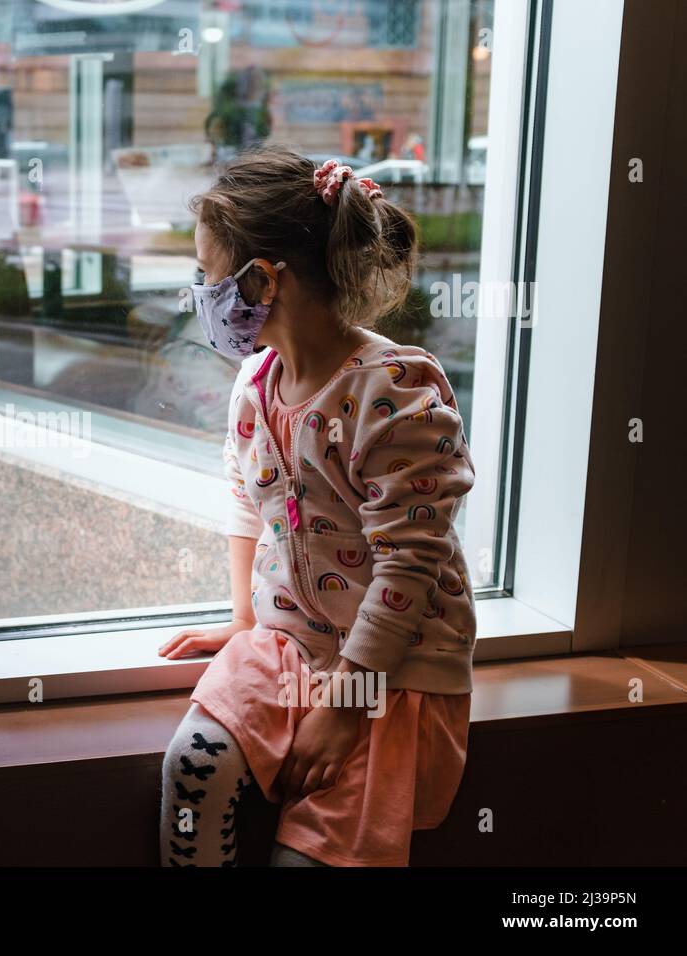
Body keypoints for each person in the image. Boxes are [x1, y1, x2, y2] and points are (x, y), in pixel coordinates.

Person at [158, 146, 477, 867]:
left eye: (209, 275)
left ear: (263, 279)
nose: (201, 294)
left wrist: (346, 702)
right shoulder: (256, 384)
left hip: (390, 673)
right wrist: (244, 623)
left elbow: (410, 564)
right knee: (192, 771)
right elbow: (249, 505)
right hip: (287, 647)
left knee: (315, 859)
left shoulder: (392, 392)